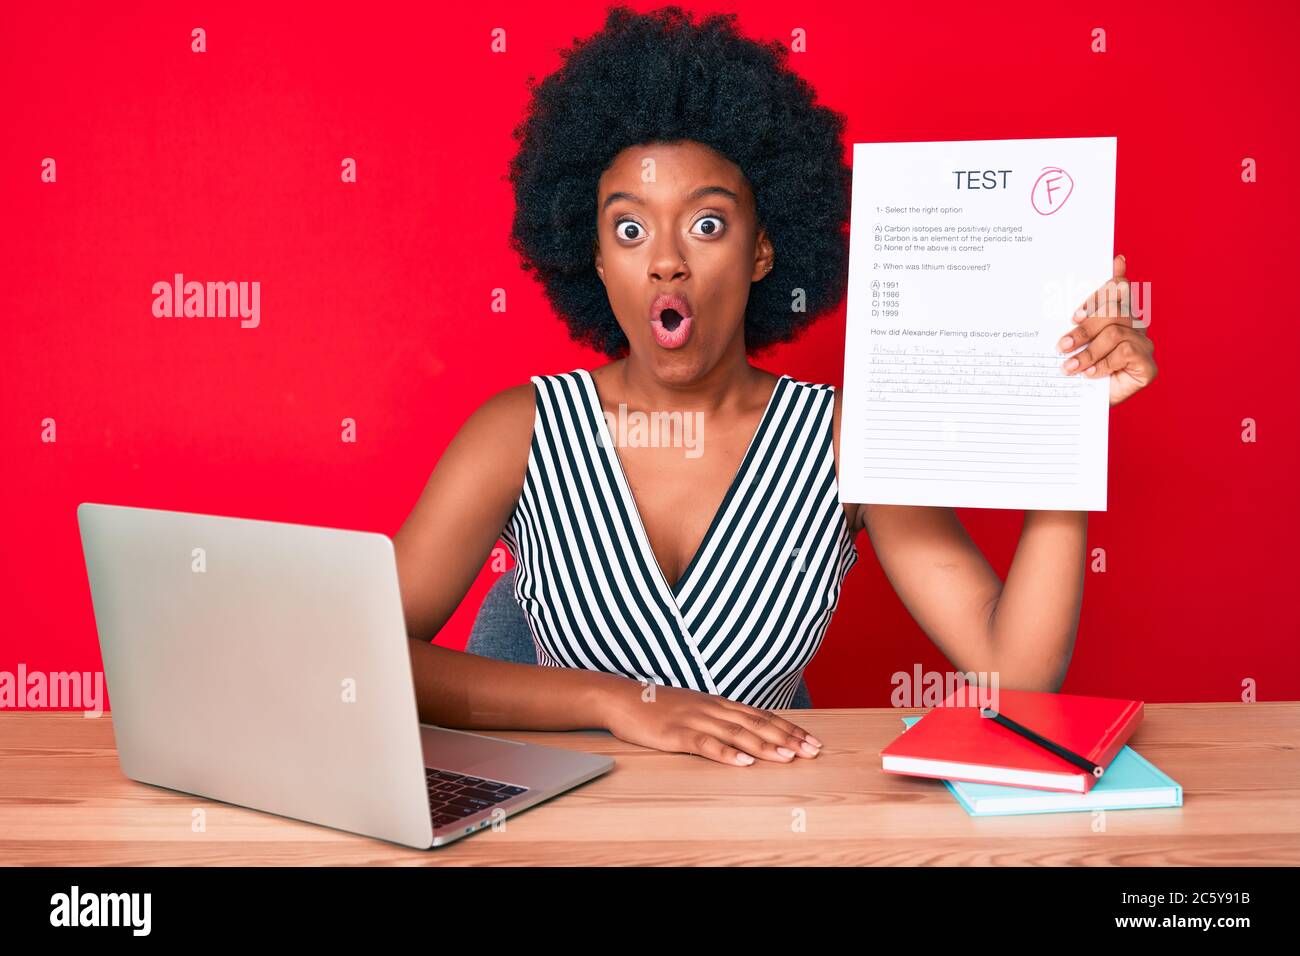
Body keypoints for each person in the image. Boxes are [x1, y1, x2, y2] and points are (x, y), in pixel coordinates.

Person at [394, 6, 1157, 767]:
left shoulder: (842, 440)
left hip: (768, 828)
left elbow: (1016, 676)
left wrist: (1070, 414)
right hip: (574, 834)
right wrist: (616, 702)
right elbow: (369, 660)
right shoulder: (520, 431)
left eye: (707, 224)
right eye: (629, 230)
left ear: (763, 252)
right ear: (595, 261)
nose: (665, 261)